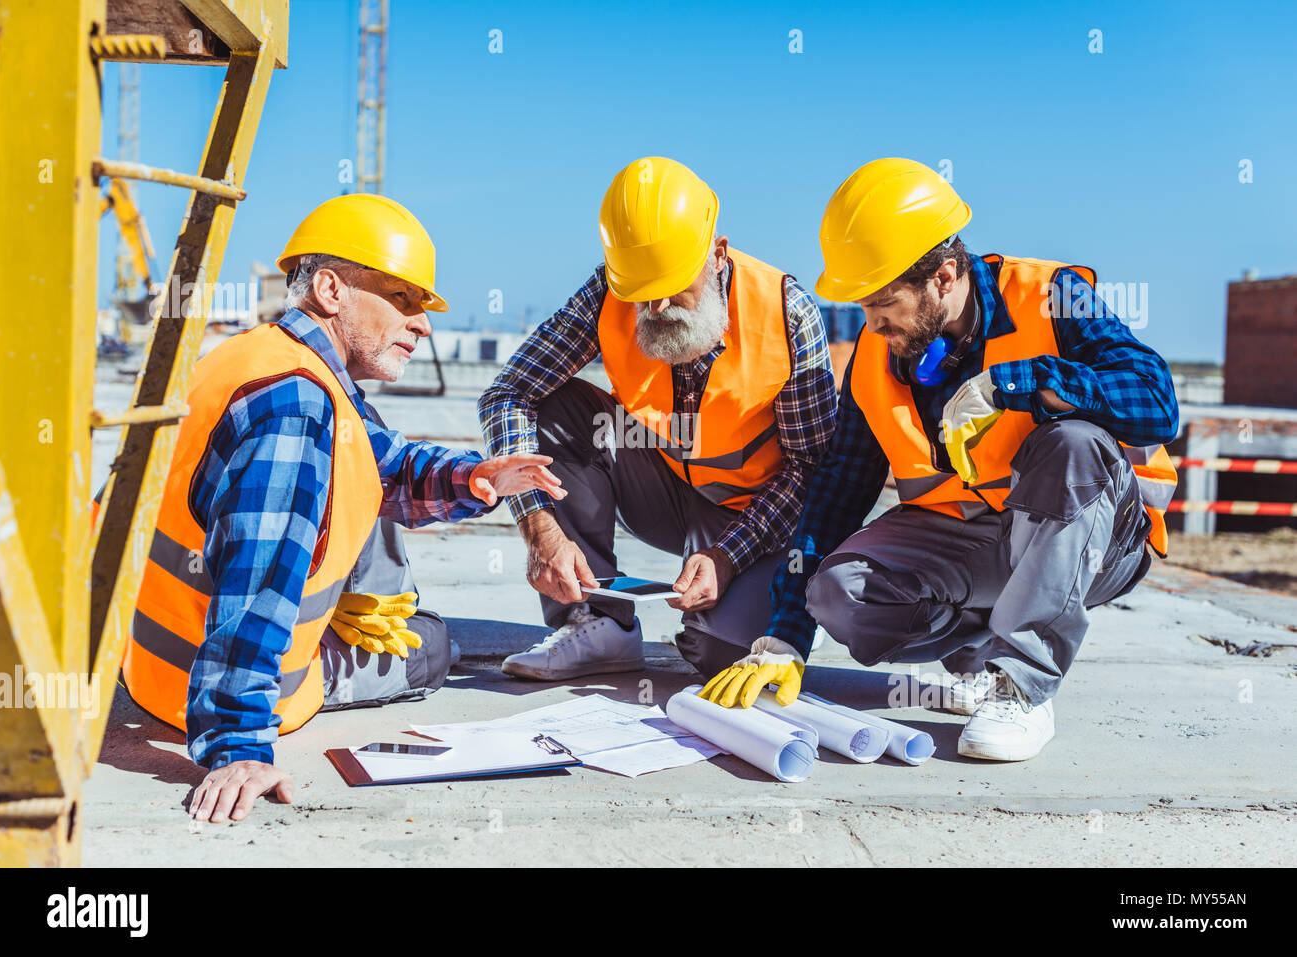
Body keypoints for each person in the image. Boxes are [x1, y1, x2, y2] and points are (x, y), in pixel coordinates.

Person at [701, 158, 1179, 762]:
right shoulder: (877, 360)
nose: (871, 325)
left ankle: (1023, 686)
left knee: (1072, 443)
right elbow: (837, 491)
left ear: (945, 276)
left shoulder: (1052, 298)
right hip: (979, 543)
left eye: (883, 304)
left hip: (1099, 540)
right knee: (839, 592)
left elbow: (1157, 401)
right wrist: (787, 633)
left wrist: (1027, 382)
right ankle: (981, 662)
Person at [119, 194, 563, 821]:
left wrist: (475, 478)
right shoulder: (295, 406)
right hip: (201, 689)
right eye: (404, 300)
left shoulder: (258, 358)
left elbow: (384, 464)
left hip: (147, 663)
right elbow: (258, 578)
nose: (424, 324)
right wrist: (238, 743)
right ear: (331, 289)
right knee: (429, 644)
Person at [478, 156, 837, 681]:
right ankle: (596, 623)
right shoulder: (609, 292)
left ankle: (759, 598)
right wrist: (539, 526)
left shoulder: (785, 311)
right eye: (641, 291)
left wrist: (727, 556)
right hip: (660, 489)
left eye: (673, 283)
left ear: (717, 253)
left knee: (723, 658)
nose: (660, 303)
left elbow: (812, 469)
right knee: (554, 406)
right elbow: (507, 394)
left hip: (751, 514)